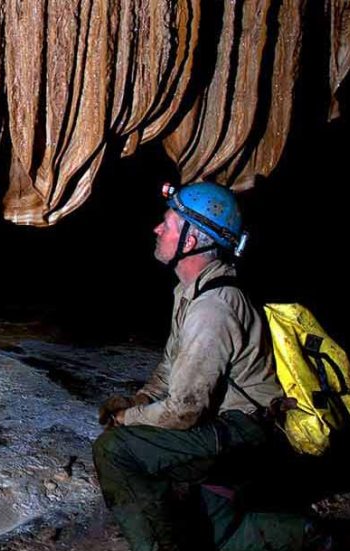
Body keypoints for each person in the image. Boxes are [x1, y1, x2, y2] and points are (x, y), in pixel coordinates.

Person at [92, 182, 312, 551]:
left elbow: (183, 412)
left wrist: (126, 421)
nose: (157, 229)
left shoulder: (213, 308)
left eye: (168, 222)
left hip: (250, 436)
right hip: (240, 428)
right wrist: (139, 400)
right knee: (213, 537)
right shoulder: (192, 291)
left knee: (116, 450)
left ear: (191, 241)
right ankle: (305, 535)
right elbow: (169, 366)